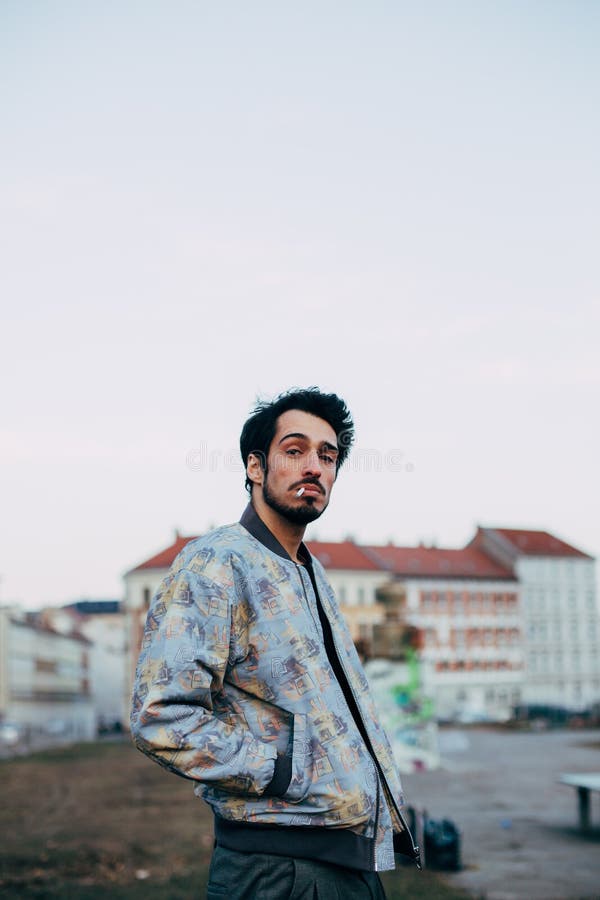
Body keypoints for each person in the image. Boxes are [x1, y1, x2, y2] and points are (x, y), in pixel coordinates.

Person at [130, 387, 420, 899]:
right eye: (295, 450)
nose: (314, 466)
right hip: (278, 870)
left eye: (327, 456)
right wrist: (282, 768)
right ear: (256, 467)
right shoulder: (216, 563)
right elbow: (162, 716)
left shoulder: (311, 571)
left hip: (347, 862)